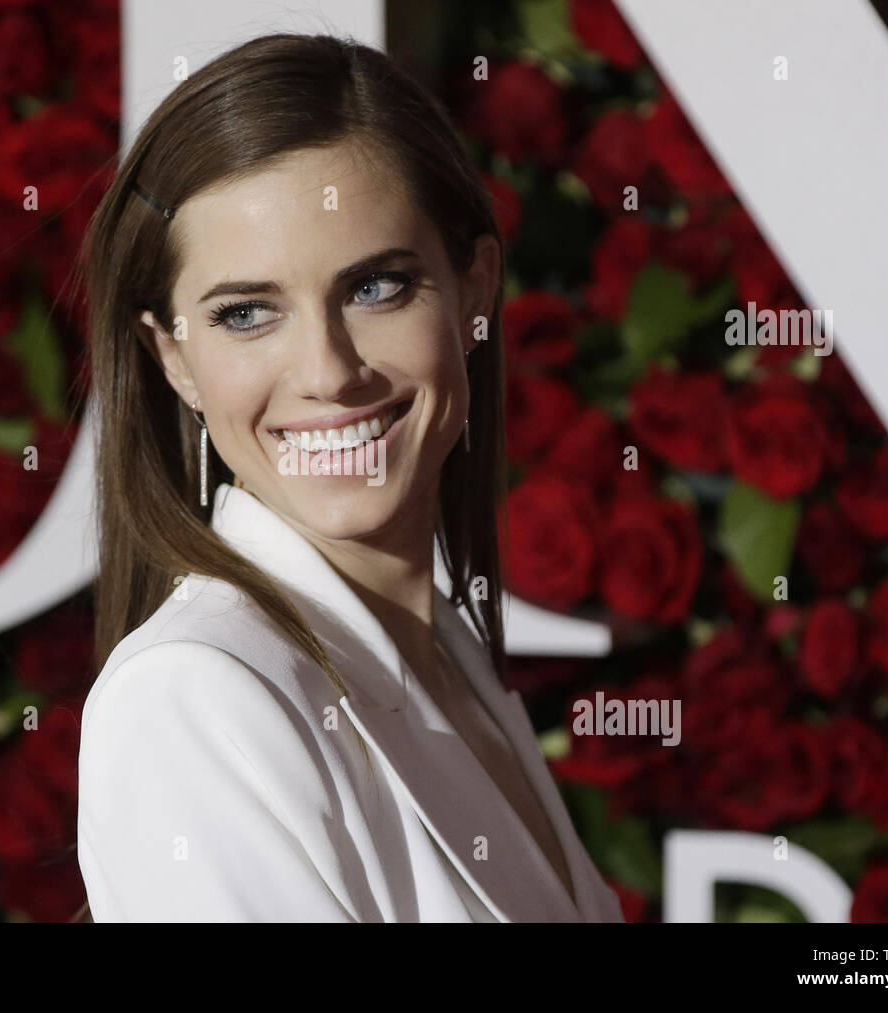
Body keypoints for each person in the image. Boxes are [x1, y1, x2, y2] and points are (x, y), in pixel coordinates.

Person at [76, 32, 624, 923]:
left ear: (475, 290)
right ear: (172, 356)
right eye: (247, 313)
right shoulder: (192, 695)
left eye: (377, 287)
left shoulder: (446, 650)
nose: (329, 372)